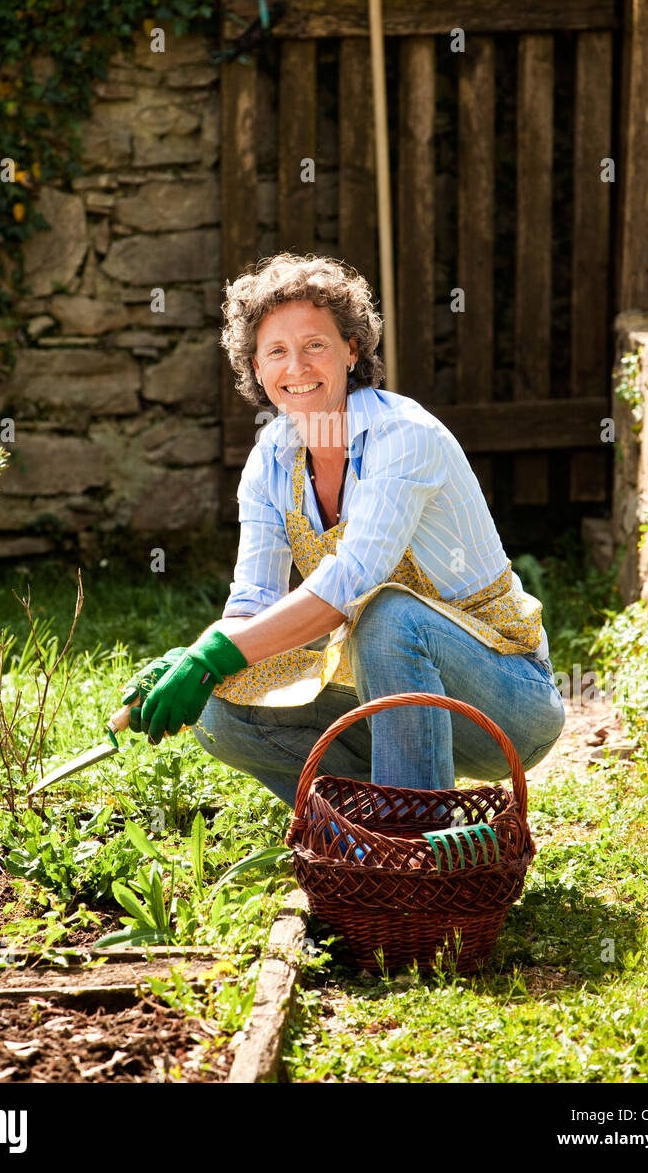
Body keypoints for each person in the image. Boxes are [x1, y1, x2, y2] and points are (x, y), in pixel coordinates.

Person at [122, 253, 565, 809]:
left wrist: (214, 653)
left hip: (507, 700)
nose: (297, 367)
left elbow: (347, 586)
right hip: (388, 702)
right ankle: (351, 832)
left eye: (316, 345)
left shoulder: (403, 436)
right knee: (215, 708)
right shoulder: (271, 461)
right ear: (256, 368)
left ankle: (412, 846)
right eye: (276, 352)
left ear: (351, 350)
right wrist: (194, 661)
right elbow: (251, 603)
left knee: (386, 615)